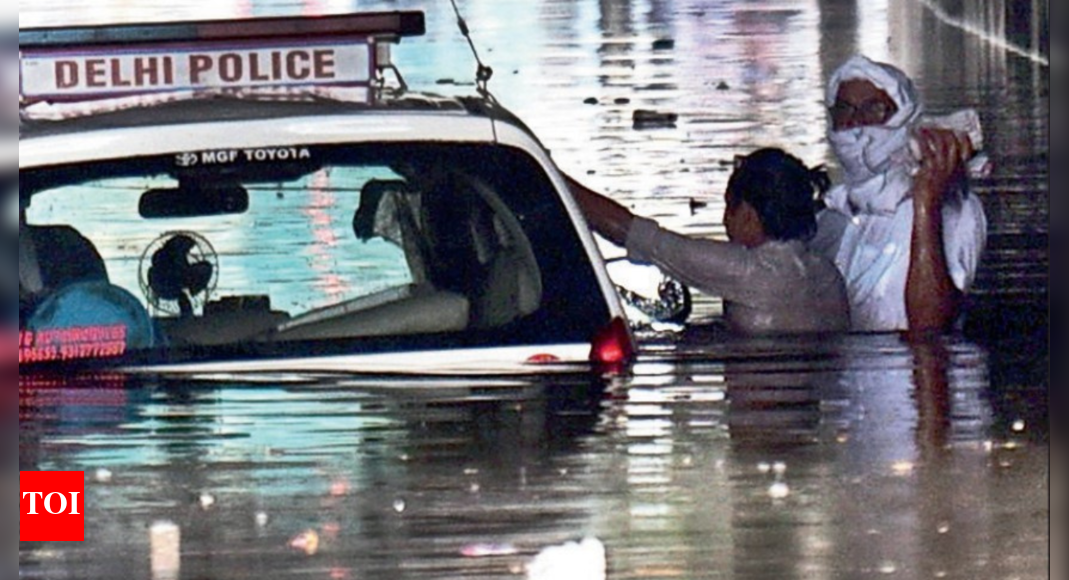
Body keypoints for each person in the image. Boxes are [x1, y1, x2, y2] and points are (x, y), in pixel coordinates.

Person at [569, 147, 850, 335]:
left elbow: (630, 233)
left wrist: (556, 181)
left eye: (729, 208)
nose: (724, 221)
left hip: (760, 407)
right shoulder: (827, 274)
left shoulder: (746, 270)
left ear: (749, 216)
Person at [810, 55, 988, 336]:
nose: (856, 123)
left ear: (904, 116)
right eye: (844, 110)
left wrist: (926, 204)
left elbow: (930, 326)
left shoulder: (954, 207)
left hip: (911, 377)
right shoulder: (830, 216)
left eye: (874, 109)